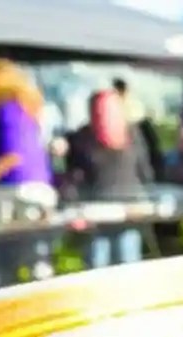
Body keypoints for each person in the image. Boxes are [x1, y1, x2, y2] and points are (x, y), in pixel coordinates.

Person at [65, 90, 153, 269]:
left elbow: (145, 171)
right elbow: (73, 178)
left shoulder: (133, 134)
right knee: (97, 264)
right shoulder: (81, 138)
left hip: (130, 211)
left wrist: (146, 200)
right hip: (95, 213)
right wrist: (74, 209)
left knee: (128, 263)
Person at [0, 58, 55, 286]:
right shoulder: (28, 108)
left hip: (14, 190)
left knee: (5, 262)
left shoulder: (5, 110)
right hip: (41, 187)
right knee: (37, 261)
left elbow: (12, 155)